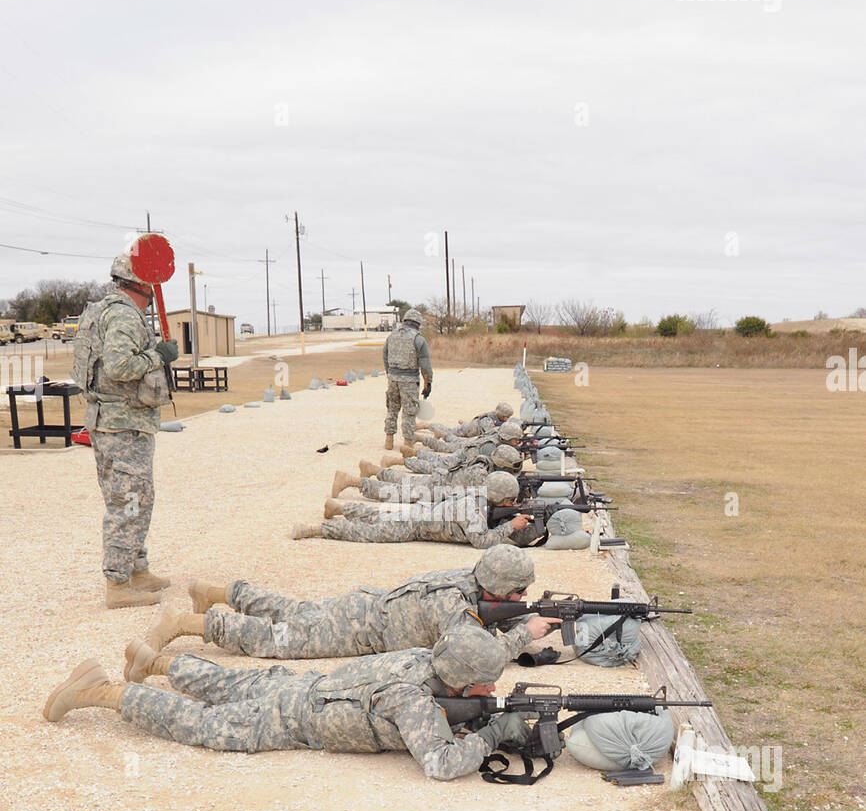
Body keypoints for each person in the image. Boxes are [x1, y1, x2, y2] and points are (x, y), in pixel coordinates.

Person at [43, 626, 531, 783]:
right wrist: (492, 733)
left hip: (301, 685)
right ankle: (99, 692)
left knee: (226, 683)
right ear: (462, 682)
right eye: (486, 685)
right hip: (289, 720)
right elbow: (441, 765)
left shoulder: (424, 659)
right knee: (200, 723)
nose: (490, 691)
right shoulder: (416, 703)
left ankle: (154, 662)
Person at [123, 544, 560, 673]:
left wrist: (522, 615)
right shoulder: (454, 608)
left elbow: (487, 612)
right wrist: (525, 634)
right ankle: (185, 622)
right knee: (276, 640)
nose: (521, 600)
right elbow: (473, 655)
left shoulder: (468, 576)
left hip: (366, 605)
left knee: (290, 610)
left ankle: (215, 590)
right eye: (517, 593)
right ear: (500, 587)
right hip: (359, 631)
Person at [72, 253, 178, 607]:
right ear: (141, 283)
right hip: (124, 424)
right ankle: (118, 583)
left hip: (111, 422)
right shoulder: (123, 314)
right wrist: (159, 356)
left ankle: (137, 568)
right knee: (129, 501)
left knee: (135, 498)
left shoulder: (101, 310)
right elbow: (119, 367)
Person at [291, 471, 532, 548]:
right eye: (509, 500)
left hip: (421, 512)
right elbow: (481, 541)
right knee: (365, 533)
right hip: (413, 526)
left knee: (379, 514)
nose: (511, 504)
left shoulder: (478, 497)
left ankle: (341, 507)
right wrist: (512, 526)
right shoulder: (473, 509)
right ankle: (317, 529)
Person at [329, 442, 522, 503]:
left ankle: (372, 469)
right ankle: (349, 480)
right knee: (396, 492)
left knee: (402, 481)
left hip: (441, 482)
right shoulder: (482, 473)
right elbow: (490, 496)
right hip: (439, 487)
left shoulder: (485, 465)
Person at [382, 308, 432, 449]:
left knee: (392, 409)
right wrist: (428, 384)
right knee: (409, 412)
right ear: (417, 323)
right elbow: (425, 364)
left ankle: (389, 440)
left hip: (392, 379)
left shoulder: (391, 336)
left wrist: (390, 373)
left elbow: (385, 356)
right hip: (409, 381)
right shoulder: (418, 339)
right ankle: (407, 443)